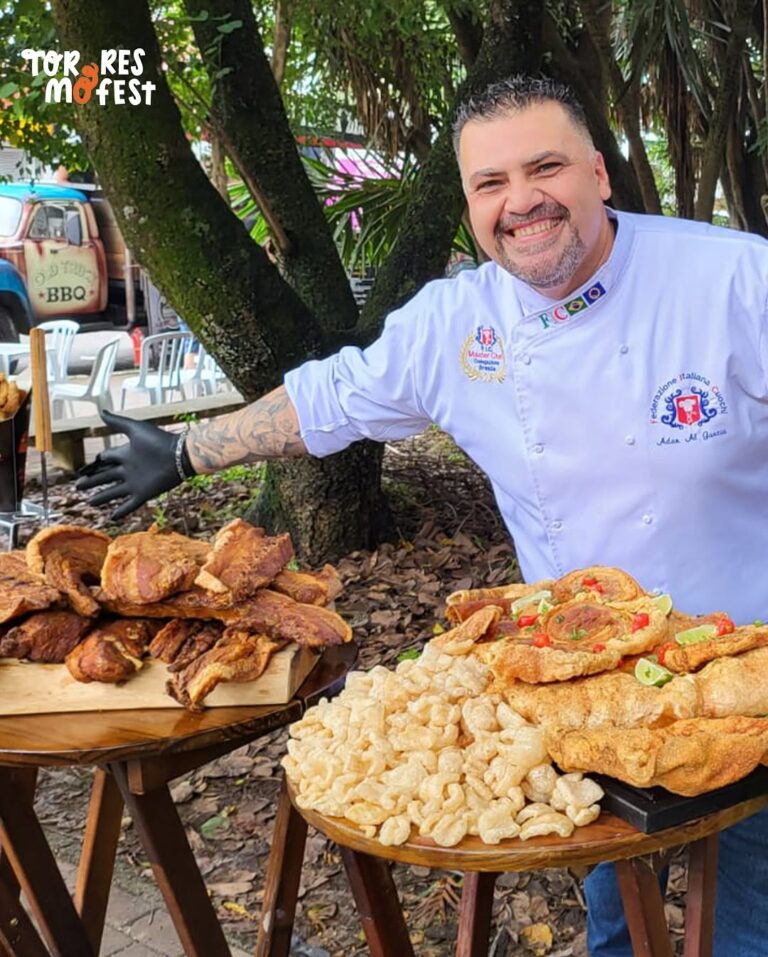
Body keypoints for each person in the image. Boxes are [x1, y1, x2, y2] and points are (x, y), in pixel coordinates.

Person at [79, 75, 768, 956]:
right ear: (472, 206)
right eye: (491, 184)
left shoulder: (731, 278)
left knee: (752, 922)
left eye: (546, 166)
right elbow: (329, 400)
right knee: (618, 925)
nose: (522, 201)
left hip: (748, 671)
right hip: (582, 692)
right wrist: (182, 452)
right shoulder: (456, 324)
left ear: (599, 172)